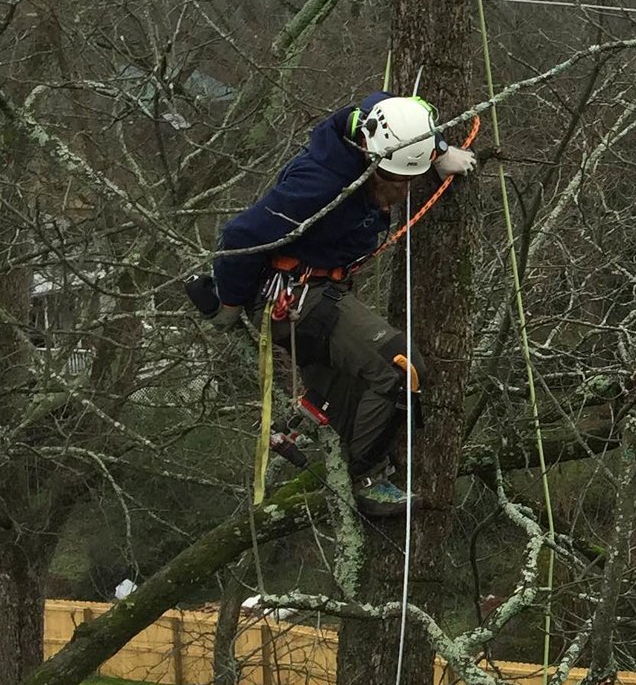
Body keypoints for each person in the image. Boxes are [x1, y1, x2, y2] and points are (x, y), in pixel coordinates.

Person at [188, 92, 476, 512]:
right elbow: (239, 236)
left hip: (325, 289)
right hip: (296, 295)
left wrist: (440, 151)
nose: (402, 193)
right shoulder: (319, 185)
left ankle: (314, 412)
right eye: (395, 182)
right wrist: (227, 306)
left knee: (354, 386)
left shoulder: (368, 125)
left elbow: (384, 104)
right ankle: (363, 478)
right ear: (370, 160)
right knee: (400, 368)